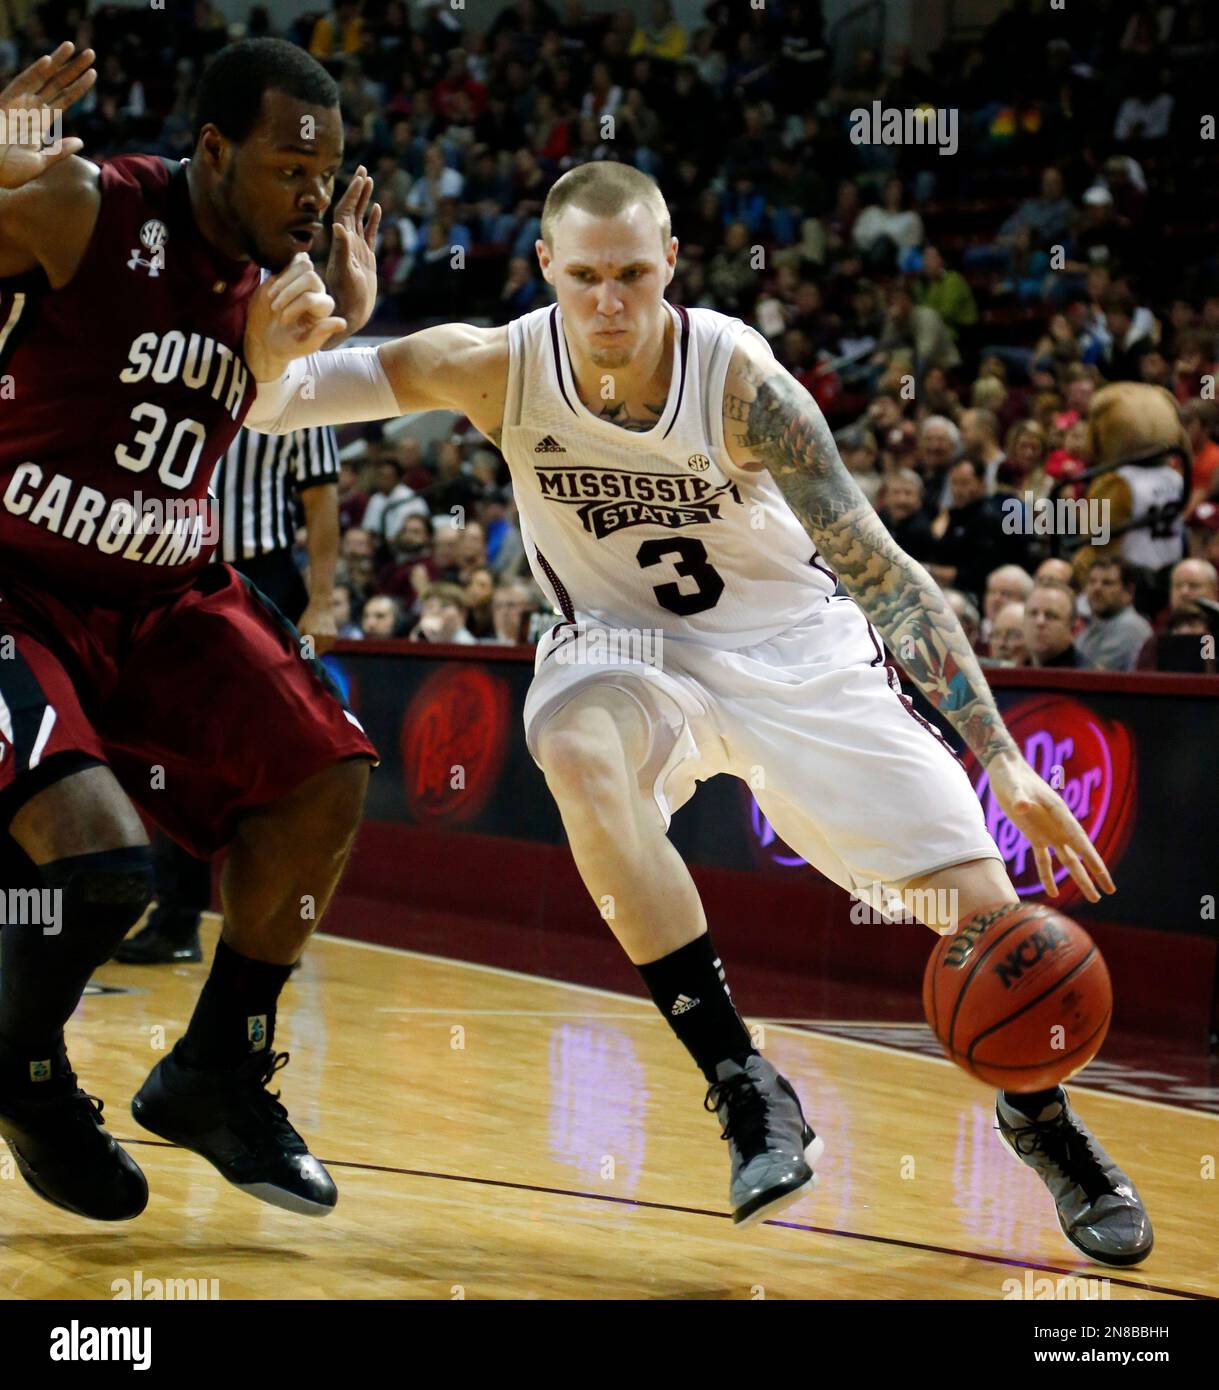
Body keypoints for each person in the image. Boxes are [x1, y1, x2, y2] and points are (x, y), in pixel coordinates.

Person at [244, 160, 1150, 1262]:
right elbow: (275, 398)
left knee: (994, 930)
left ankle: (1042, 1119)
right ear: (545, 270)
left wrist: (999, 756)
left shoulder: (738, 383)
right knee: (574, 747)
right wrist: (307, 315)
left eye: (633, 272)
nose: (611, 303)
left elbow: (885, 570)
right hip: (624, 649)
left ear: (672, 261)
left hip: (795, 650)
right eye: (585, 277)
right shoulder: (490, 368)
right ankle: (742, 1079)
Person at [0, 40, 381, 1224]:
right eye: (288, 168)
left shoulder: (285, 285)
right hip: (16, 589)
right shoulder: (89, 207)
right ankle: (22, 1074)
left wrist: (342, 326)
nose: (312, 195)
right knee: (100, 865)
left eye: (327, 173)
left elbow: (273, 408)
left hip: (167, 596)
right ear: (213, 150)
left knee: (327, 781)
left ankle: (215, 1068)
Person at [1076, 557, 1154, 671]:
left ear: (1128, 592)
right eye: (1092, 582)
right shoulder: (1092, 625)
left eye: (1107, 583)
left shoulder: (1130, 627)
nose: (1096, 588)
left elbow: (1091, 678)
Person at [1025, 581, 1080, 667]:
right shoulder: (1013, 670)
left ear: (1073, 630)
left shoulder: (1089, 677)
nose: (1039, 622)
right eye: (1033, 613)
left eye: (1050, 615)